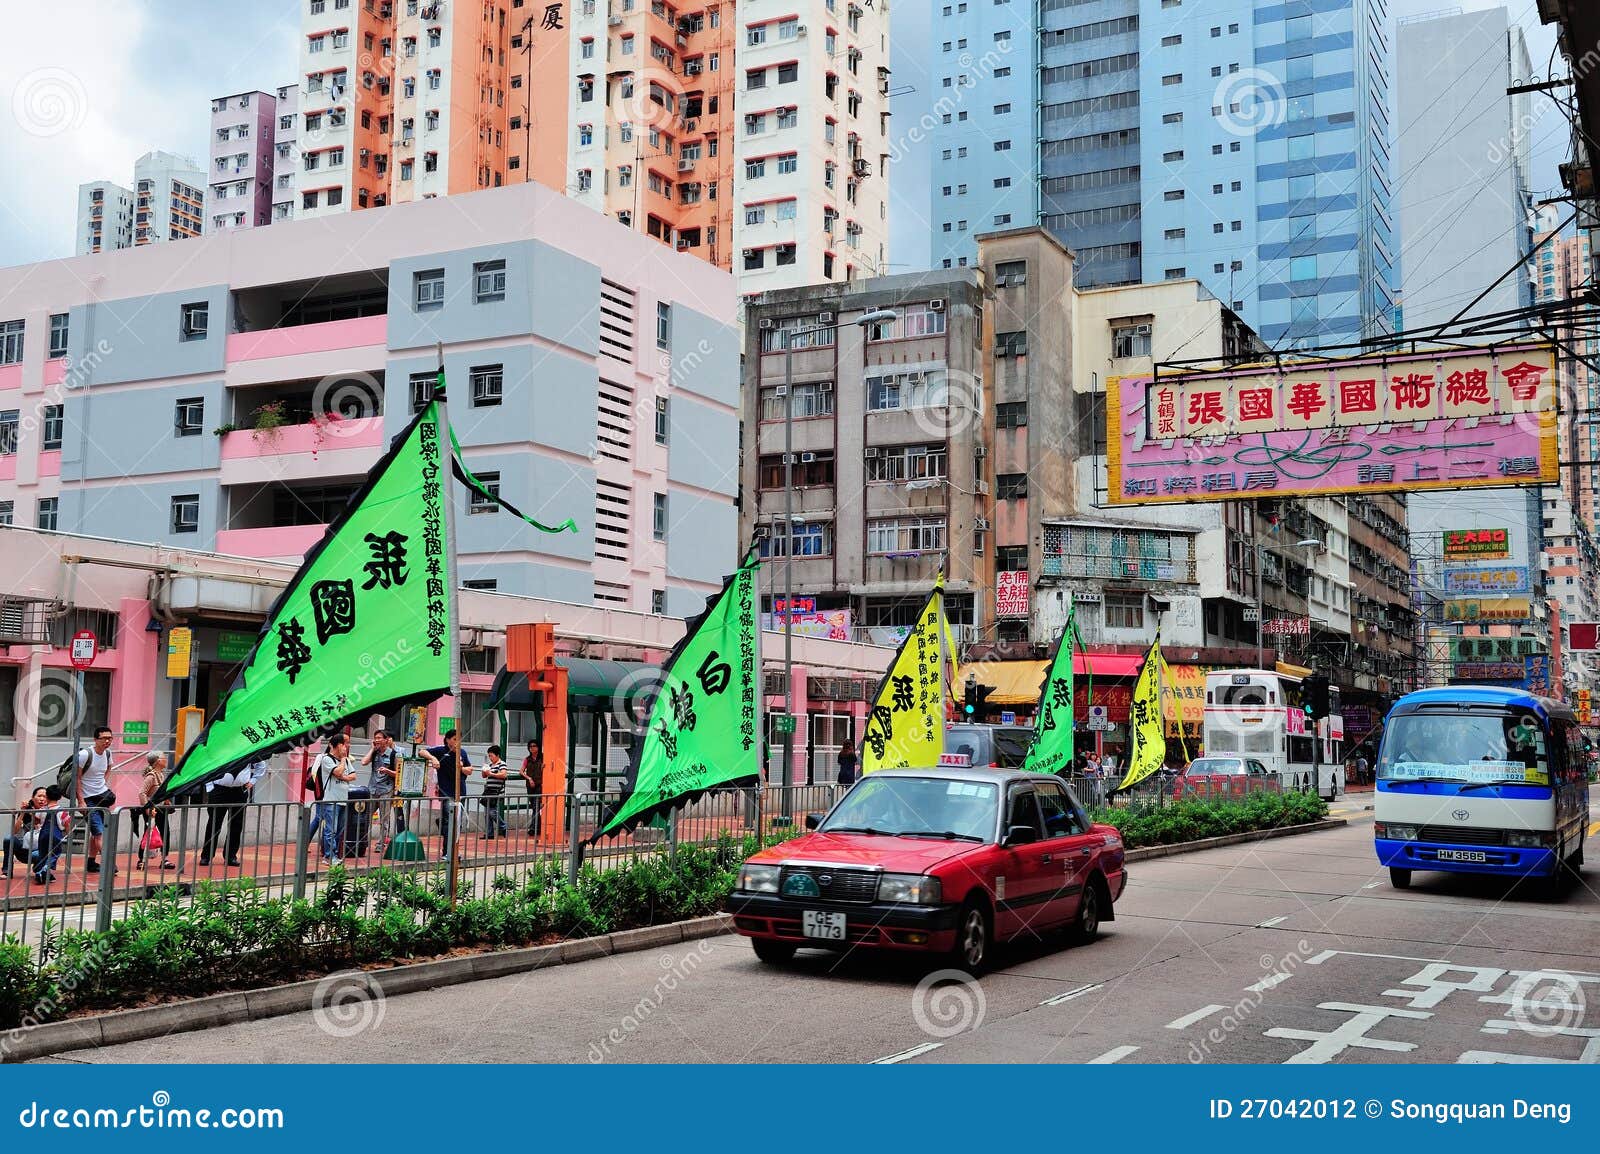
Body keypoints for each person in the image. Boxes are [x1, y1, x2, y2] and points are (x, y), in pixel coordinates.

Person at [200, 757, 265, 867]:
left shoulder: (247, 748)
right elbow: (206, 764)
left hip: (240, 790)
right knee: (214, 823)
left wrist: (253, 780)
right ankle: (206, 856)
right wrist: (210, 786)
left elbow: (261, 764)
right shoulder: (221, 748)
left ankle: (231, 856)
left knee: (237, 824)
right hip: (219, 790)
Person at [73, 725, 119, 874]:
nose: (107, 741)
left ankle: (91, 863)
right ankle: (109, 864)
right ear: (95, 739)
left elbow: (109, 768)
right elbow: (77, 778)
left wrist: (103, 783)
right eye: (104, 738)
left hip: (102, 797)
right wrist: (81, 801)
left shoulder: (107, 754)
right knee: (99, 832)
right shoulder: (85, 755)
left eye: (110, 738)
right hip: (88, 800)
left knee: (96, 832)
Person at [420, 730, 472, 853]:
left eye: (459, 739)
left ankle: (454, 850)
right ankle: (447, 852)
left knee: (457, 823)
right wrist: (433, 759)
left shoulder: (462, 753)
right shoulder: (441, 751)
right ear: (448, 740)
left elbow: (470, 770)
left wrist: (461, 767)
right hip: (447, 793)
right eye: (454, 739)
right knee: (449, 822)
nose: (456, 742)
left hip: (460, 792)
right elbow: (421, 751)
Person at [314, 735, 357, 866]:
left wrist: (343, 775)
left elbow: (353, 776)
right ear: (339, 745)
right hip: (331, 800)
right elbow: (338, 772)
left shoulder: (346, 761)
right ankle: (329, 856)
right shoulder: (327, 759)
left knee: (339, 830)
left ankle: (335, 854)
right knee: (330, 830)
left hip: (343, 799)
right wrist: (344, 759)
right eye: (346, 743)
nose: (348, 746)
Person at [134, 752, 177, 871]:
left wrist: (166, 800)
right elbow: (142, 793)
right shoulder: (151, 776)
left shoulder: (160, 775)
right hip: (152, 810)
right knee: (148, 834)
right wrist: (146, 808)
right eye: (164, 757)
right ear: (158, 761)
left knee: (165, 832)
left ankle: (165, 859)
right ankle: (141, 859)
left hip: (161, 809)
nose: (166, 759)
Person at [362, 730, 405, 846]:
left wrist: (387, 771)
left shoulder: (394, 754)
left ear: (386, 740)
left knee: (384, 819)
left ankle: (381, 843)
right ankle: (363, 841)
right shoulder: (374, 753)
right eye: (375, 738)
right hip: (373, 789)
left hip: (386, 790)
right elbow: (363, 762)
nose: (376, 740)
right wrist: (372, 749)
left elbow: (399, 773)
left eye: (379, 738)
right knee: (365, 817)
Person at [2, 787, 50, 880]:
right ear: (32, 798)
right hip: (25, 850)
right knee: (9, 839)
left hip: (40, 851)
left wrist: (34, 814)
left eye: (45, 796)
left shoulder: (50, 811)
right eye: (39, 796)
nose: (42, 799)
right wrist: (23, 812)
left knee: (38, 859)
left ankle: (39, 868)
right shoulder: (27, 810)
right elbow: (14, 831)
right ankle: (7, 872)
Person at [31, 785, 71, 884]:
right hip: (55, 836)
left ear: (47, 796)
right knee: (54, 854)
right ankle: (45, 869)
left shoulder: (42, 810)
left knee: (42, 854)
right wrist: (68, 832)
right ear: (60, 797)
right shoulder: (62, 811)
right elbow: (67, 823)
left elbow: (36, 820)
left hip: (43, 835)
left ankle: (40, 873)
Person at [480, 745, 509, 840]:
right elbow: (484, 776)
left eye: (491, 756)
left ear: (497, 755)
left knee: (492, 812)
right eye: (489, 756)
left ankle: (503, 826)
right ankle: (489, 833)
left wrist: (491, 774)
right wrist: (484, 771)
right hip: (488, 791)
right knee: (487, 813)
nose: (490, 758)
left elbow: (504, 775)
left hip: (496, 792)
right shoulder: (490, 765)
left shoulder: (502, 764)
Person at [519, 740, 543, 836]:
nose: (532, 748)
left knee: (536, 806)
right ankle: (538, 827)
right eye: (530, 746)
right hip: (530, 785)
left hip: (540, 785)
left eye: (534, 746)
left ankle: (533, 828)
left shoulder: (543, 757)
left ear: (538, 747)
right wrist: (529, 778)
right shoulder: (527, 759)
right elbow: (521, 771)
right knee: (534, 807)